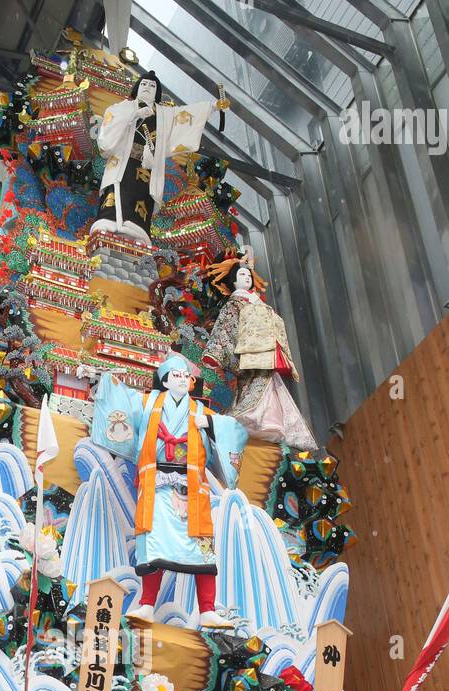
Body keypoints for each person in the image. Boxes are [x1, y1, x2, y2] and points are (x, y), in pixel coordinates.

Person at [90, 352, 246, 624]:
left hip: (192, 488)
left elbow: (235, 430)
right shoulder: (148, 403)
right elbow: (120, 403)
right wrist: (98, 381)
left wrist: (209, 424)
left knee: (201, 550)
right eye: (176, 375)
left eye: (186, 376)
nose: (183, 380)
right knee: (154, 547)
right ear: (164, 379)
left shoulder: (199, 411)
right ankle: (147, 604)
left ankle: (207, 610)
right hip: (158, 486)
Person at [202, 255, 317, 450]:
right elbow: (225, 330)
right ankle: (253, 420)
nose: (247, 277)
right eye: (241, 274)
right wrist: (231, 355)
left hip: (266, 355)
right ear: (233, 281)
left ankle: (270, 423)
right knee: (253, 387)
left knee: (270, 388)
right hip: (248, 356)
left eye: (248, 274)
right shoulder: (233, 305)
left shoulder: (258, 303)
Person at [93, 71, 213, 243]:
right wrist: (134, 115)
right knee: (118, 188)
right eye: (144, 84)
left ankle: (136, 230)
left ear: (157, 91)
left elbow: (187, 115)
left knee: (141, 194)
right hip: (123, 160)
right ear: (137, 87)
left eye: (152, 85)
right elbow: (110, 129)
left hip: (147, 163)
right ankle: (108, 222)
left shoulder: (165, 114)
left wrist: (213, 106)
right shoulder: (123, 108)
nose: (147, 88)